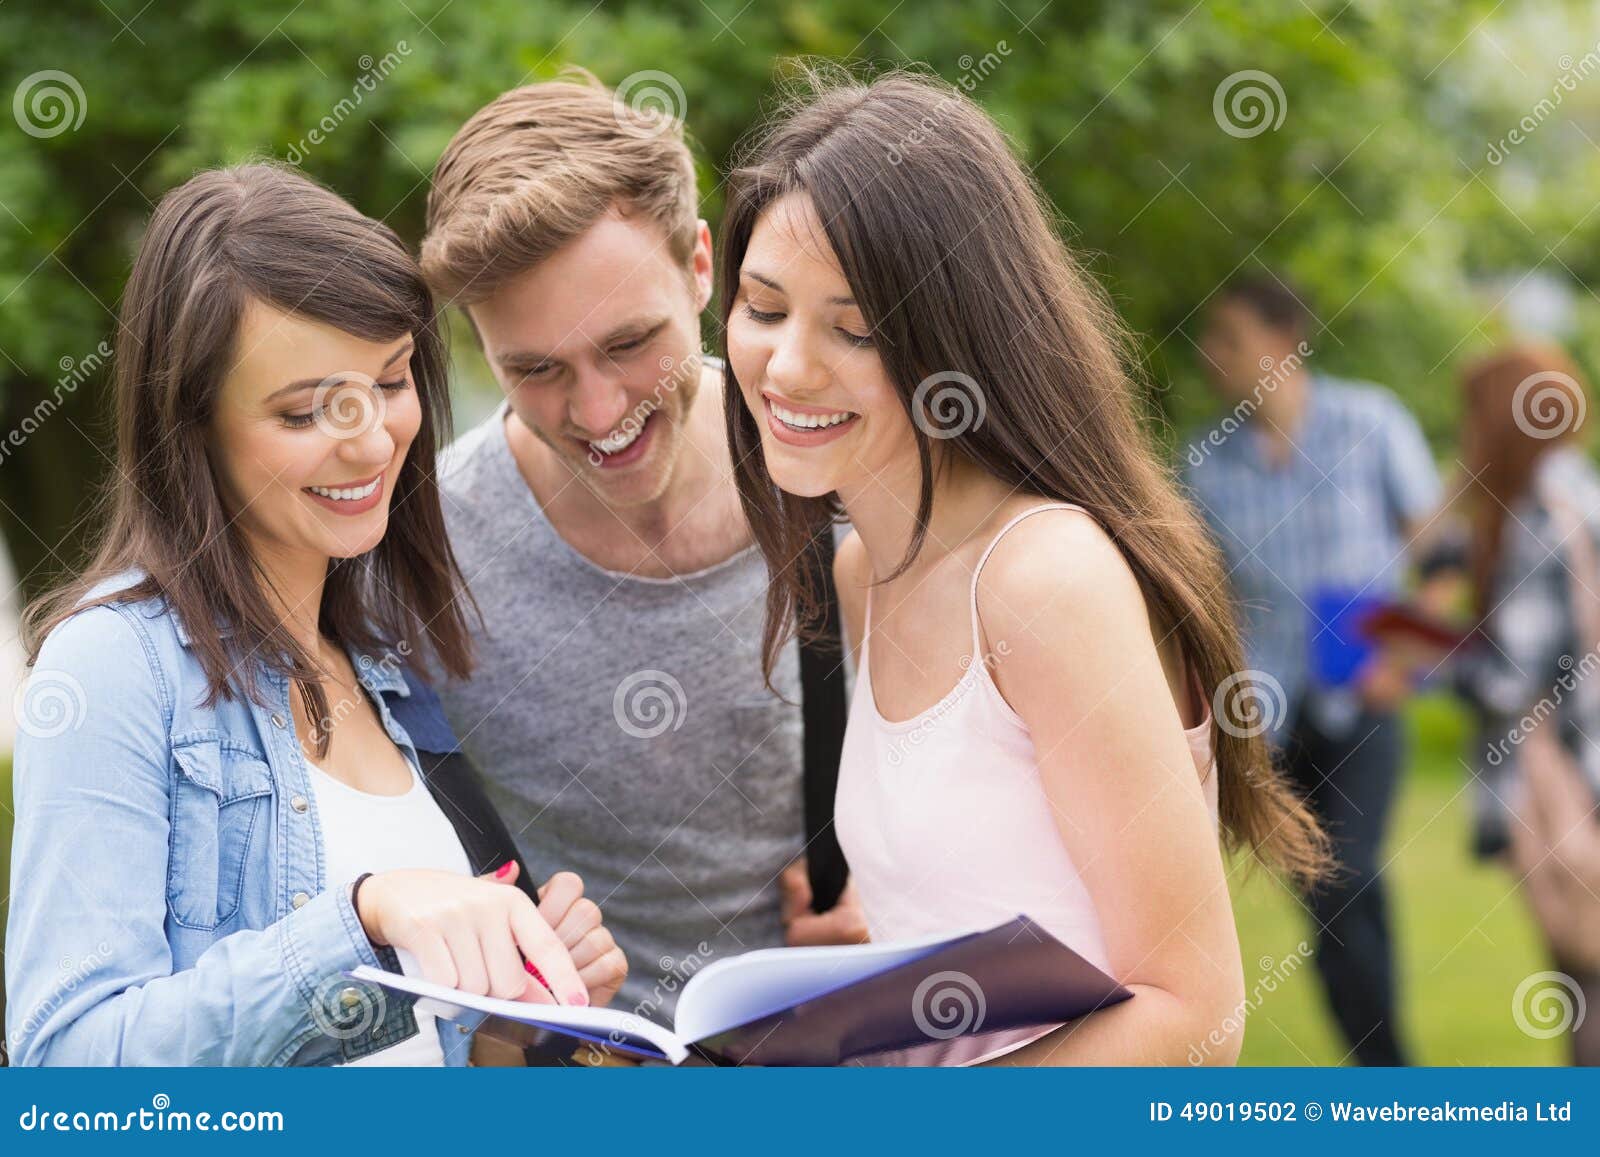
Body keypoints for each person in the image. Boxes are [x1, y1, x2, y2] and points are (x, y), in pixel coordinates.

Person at [719, 69, 1330, 1066]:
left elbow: (1193, 1012)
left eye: (854, 326)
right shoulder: (864, 567)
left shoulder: (1043, 580)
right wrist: (868, 970)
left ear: (950, 333)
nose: (785, 366)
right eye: (762, 306)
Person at [3, 164, 624, 1067]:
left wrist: (514, 1019)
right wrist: (363, 918)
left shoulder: (383, 665)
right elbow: (69, 1066)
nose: (373, 439)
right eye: (304, 411)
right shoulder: (110, 666)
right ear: (194, 425)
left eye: (390, 379)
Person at [411, 74, 865, 1023]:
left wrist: (903, 889)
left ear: (703, 268)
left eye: (629, 344)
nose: (599, 412)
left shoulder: (848, 474)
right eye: (534, 370)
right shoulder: (422, 560)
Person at [1182, 272, 1441, 1067]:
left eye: (1229, 337)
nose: (1211, 355)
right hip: (1268, 721)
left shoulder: (1370, 421)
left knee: (1349, 872)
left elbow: (1441, 557)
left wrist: (1401, 664)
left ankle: (1390, 1069)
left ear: (1283, 338)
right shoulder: (1205, 462)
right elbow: (1208, 598)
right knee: (1328, 902)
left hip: (1364, 700)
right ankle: (1382, 1076)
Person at [1450, 345, 1600, 1065]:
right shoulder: (1584, 492)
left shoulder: (1542, 514)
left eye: (1474, 415)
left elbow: (1513, 677)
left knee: (1585, 975)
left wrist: (1433, 659)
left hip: (1568, 777)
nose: (1465, 434)